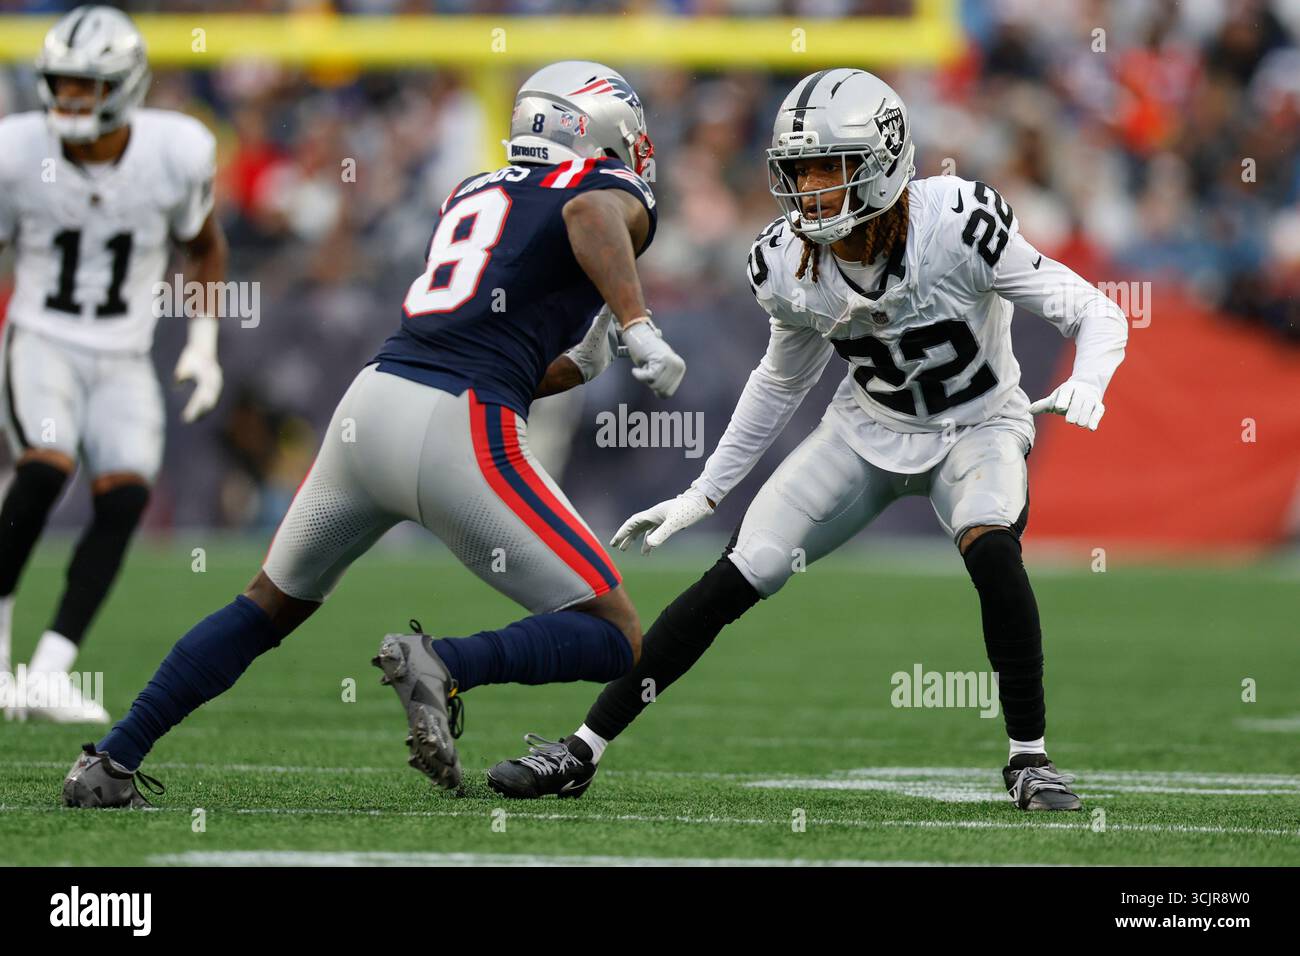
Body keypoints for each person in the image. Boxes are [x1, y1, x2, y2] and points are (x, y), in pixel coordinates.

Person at [489, 68, 1128, 811]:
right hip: (864, 432)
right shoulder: (787, 262)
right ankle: (581, 749)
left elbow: (1095, 311)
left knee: (990, 544)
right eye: (799, 171)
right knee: (737, 574)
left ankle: (1029, 758)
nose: (811, 189)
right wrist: (705, 492)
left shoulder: (957, 223)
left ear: (886, 160)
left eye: (830, 166)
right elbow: (778, 382)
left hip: (977, 425)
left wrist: (1091, 380)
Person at [62, 60, 686, 807]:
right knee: (618, 636)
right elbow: (587, 217)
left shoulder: (471, 189)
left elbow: (497, 340)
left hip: (374, 404)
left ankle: (112, 760)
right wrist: (637, 322)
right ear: (596, 127)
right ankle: (442, 662)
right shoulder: (602, 195)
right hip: (459, 425)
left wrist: (582, 364)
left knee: (263, 606)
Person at [0, 6, 224, 723]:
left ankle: (49, 671)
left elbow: (204, 245)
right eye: (60, 85)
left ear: (124, 87)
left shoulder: (176, 150)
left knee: (125, 497)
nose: (68, 101)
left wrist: (204, 341)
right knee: (45, 464)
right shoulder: (15, 152)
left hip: (125, 353)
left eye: (85, 87)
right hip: (42, 338)